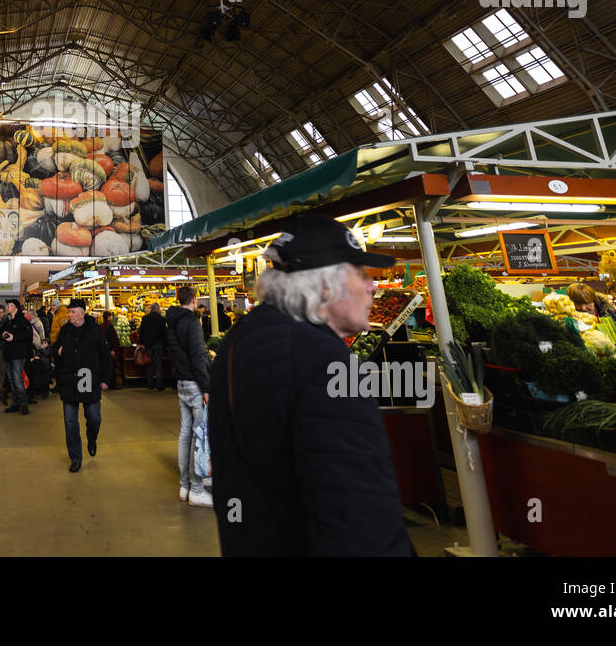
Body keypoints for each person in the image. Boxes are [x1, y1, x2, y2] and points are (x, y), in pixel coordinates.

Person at [209, 214, 414, 556]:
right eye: (360, 273)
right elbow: (358, 513)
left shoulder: (239, 339)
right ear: (324, 286)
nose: (372, 285)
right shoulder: (323, 360)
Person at [53, 298, 114, 472]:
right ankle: (75, 457)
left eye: (73, 312)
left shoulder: (95, 331)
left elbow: (105, 356)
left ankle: (92, 438)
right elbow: (56, 346)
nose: (70, 315)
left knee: (94, 417)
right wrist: (57, 351)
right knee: (70, 422)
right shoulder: (65, 330)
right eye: (69, 312)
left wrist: (106, 379)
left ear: (82, 313)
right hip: (69, 380)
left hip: (87, 378)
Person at [166, 286, 213, 507]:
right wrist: (206, 387)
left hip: (181, 382)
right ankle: (196, 489)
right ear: (194, 300)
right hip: (195, 384)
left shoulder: (172, 322)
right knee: (198, 438)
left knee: (185, 434)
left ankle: (185, 485)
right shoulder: (192, 322)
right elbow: (197, 356)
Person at [1, 299, 33, 415]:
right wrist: (3, 335)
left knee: (18, 380)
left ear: (16, 308)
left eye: (10, 305)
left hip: (18, 355)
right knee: (11, 380)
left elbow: (28, 336)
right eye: (8, 305)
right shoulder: (7, 320)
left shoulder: (23, 321)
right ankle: (15, 403)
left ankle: (23, 404)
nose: (8, 307)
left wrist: (14, 337)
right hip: (8, 354)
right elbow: (1, 332)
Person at [138, 302, 167, 390]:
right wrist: (166, 344)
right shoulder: (161, 319)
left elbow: (141, 331)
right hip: (158, 344)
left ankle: (150, 384)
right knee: (158, 364)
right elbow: (164, 332)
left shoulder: (145, 318)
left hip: (147, 344)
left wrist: (141, 343)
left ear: (151, 309)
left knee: (149, 364)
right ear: (158, 309)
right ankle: (159, 385)